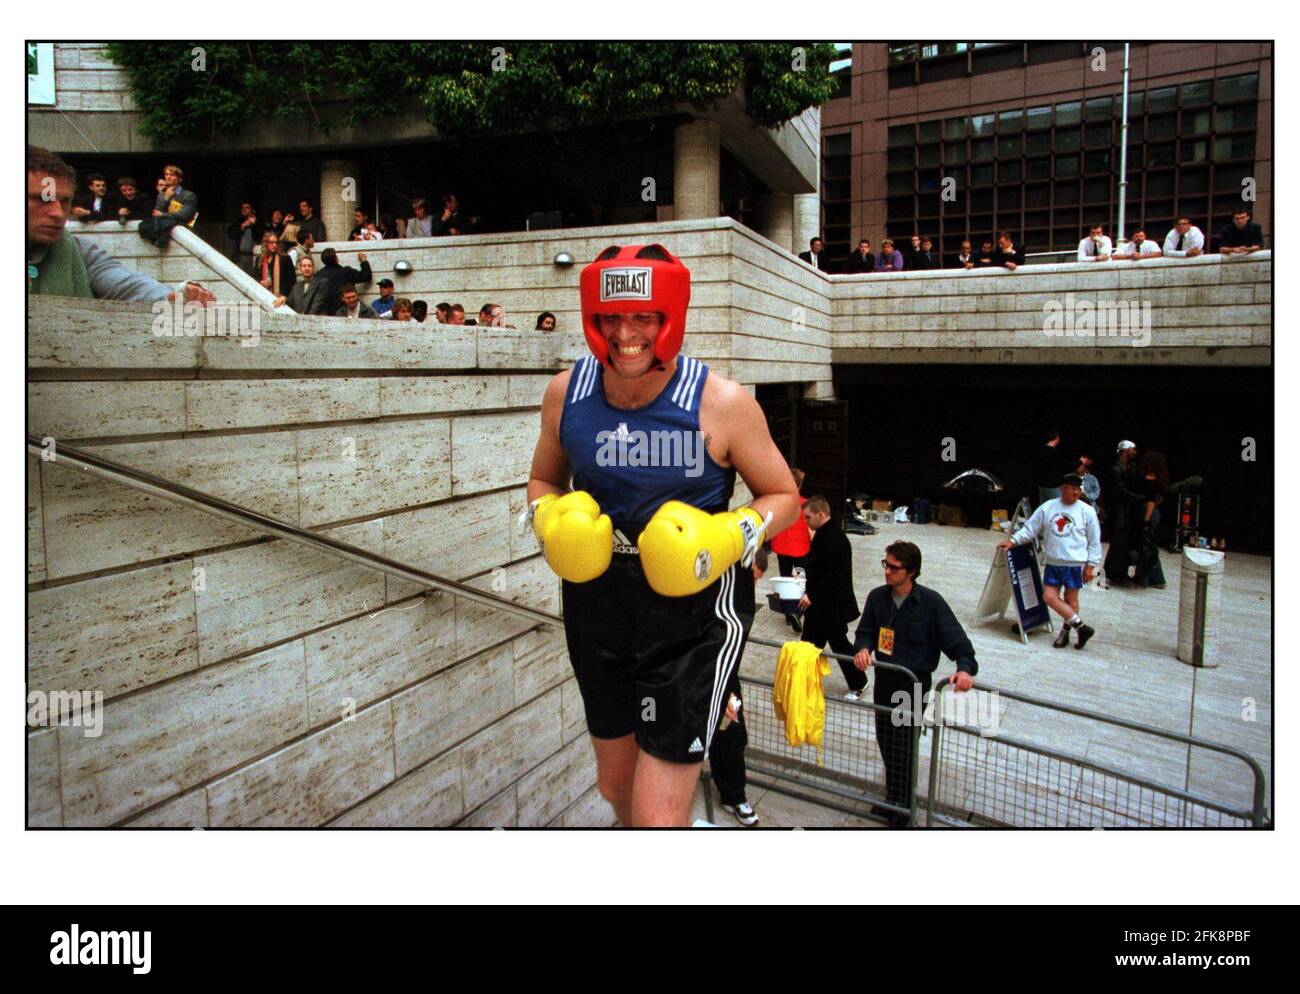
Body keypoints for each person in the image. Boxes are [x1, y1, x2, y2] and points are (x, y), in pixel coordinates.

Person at [525, 243, 800, 827]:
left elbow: (785, 497)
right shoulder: (565, 393)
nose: (626, 332)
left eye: (643, 316)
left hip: (694, 614)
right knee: (615, 788)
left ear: (669, 317)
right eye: (611, 317)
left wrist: (732, 534)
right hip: (597, 602)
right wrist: (550, 520)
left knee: (655, 816)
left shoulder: (721, 402)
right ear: (592, 317)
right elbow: (543, 480)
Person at [852, 541, 976, 827]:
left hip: (912, 686)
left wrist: (964, 669)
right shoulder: (877, 598)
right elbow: (865, 631)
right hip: (885, 681)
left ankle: (905, 807)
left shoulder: (931, 603)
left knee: (904, 745)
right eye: (886, 565)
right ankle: (893, 797)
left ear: (911, 572)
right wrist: (863, 648)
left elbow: (957, 641)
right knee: (886, 741)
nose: (887, 572)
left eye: (894, 567)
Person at [26, 145, 213, 306]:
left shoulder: (80, 252)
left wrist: (174, 295)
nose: (58, 213)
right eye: (42, 199)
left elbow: (126, 284)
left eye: (65, 201)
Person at [998, 473, 1102, 650]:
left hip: (1075, 563)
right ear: (1062, 489)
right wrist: (1013, 540)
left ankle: (1065, 633)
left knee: (1071, 599)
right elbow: (1030, 528)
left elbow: (1094, 541)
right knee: (1049, 597)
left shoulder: (1087, 511)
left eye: (1078, 489)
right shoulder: (1048, 507)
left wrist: (1091, 566)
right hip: (1053, 562)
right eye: (1072, 488)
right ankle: (1081, 627)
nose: (1076, 492)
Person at [798, 496, 862, 699]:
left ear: (821, 514)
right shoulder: (825, 534)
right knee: (809, 643)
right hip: (821, 605)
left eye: (808, 517)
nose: (806, 521)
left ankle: (859, 682)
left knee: (839, 644)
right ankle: (804, 680)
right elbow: (819, 568)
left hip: (832, 606)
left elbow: (835, 576)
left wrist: (812, 595)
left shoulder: (834, 538)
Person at [768, 467, 812, 633]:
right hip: (800, 548)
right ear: (800, 486)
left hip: (781, 546)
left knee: (785, 578)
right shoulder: (805, 504)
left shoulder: (779, 502)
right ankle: (798, 610)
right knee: (800, 580)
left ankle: (788, 611)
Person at [1102, 441, 1143, 588]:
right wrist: (1139, 499)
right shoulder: (1116, 470)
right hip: (1119, 512)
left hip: (1127, 512)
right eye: (1133, 449)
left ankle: (1118, 572)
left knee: (1124, 544)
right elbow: (1120, 492)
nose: (1135, 452)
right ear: (1125, 451)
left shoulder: (1130, 468)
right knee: (1119, 543)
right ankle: (1115, 574)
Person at [1133, 451, 1170, 589]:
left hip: (1148, 513)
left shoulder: (1150, 479)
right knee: (1149, 547)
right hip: (1154, 513)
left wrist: (1146, 521)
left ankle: (1144, 578)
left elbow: (1150, 501)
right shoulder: (1160, 480)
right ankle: (1155, 579)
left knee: (1146, 547)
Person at [138, 164, 197, 247]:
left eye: (172, 175)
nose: (168, 177)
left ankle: (160, 240)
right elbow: (156, 212)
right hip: (163, 222)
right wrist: (166, 198)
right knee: (143, 225)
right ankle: (159, 238)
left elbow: (186, 214)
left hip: (179, 222)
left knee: (167, 223)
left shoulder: (189, 195)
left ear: (180, 179)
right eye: (166, 174)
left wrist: (163, 214)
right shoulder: (162, 194)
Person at [1034, 428, 1090, 507]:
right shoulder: (1053, 452)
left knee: (1043, 507)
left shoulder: (1040, 450)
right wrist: (1081, 461)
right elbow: (1067, 465)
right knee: (1058, 507)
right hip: (1052, 486)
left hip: (1042, 485)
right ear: (1057, 438)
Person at [314, 248, 371, 315]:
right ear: (336, 259)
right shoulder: (346, 272)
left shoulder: (318, 275)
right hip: (345, 312)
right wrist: (363, 260)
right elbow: (367, 276)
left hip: (326, 313)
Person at [252, 230, 296, 300]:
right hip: (263, 295)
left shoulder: (285, 259)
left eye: (276, 242)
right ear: (266, 243)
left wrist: (271, 283)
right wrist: (261, 283)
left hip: (280, 297)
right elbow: (255, 278)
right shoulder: (260, 259)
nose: (274, 245)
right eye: (271, 242)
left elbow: (292, 281)